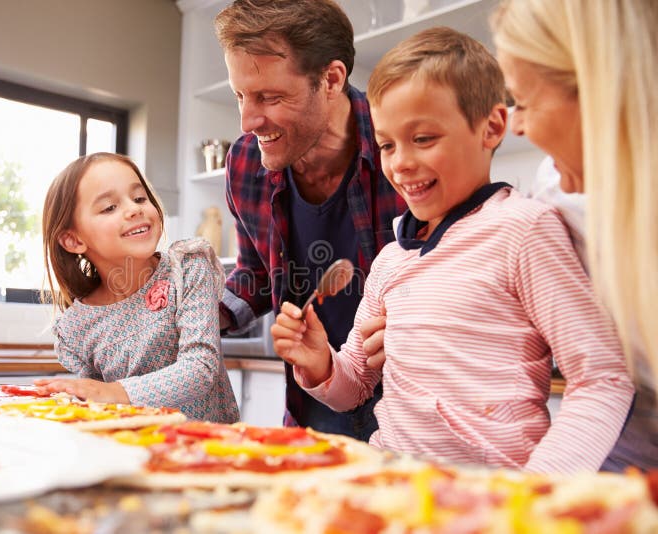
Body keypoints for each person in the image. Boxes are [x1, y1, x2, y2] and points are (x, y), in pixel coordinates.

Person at [271, 27, 634, 473]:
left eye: (423, 138)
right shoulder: (391, 260)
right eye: (386, 144)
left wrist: (538, 491)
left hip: (495, 496)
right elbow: (357, 384)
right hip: (393, 482)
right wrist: (322, 363)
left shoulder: (525, 229)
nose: (400, 162)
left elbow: (602, 377)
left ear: (492, 127)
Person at [213, 0, 406, 440]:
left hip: (407, 408)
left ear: (332, 79)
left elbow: (452, 263)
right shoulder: (245, 162)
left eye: (270, 97)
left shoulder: (400, 144)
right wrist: (203, 316)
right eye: (240, 95)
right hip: (312, 402)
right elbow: (257, 276)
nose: (247, 120)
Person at [491, 0, 658, 471]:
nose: (515, 125)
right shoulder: (554, 190)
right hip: (624, 444)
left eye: (522, 101)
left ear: (603, 92)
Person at [34, 152, 239, 424]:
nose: (134, 209)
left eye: (140, 198)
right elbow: (98, 407)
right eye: (109, 207)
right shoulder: (77, 325)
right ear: (73, 240)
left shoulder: (187, 267)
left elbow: (199, 369)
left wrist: (115, 391)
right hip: (133, 455)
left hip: (211, 451)